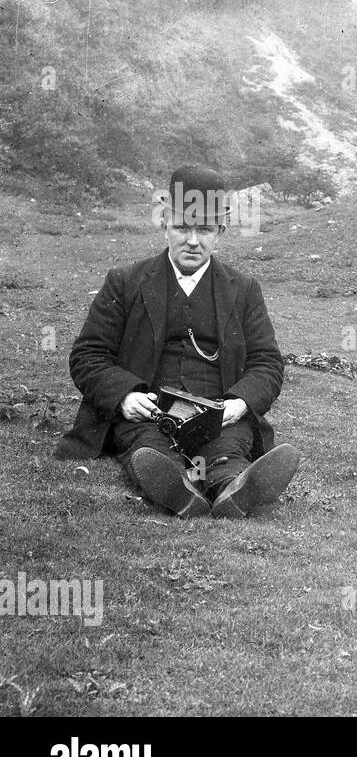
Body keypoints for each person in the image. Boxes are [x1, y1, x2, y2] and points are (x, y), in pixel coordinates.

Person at [55, 165, 299, 518]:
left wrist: (240, 404)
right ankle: (176, 485)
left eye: (204, 230)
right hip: (149, 413)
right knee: (149, 443)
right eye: (183, 228)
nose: (193, 241)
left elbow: (267, 363)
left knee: (227, 447)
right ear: (164, 224)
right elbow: (88, 355)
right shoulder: (125, 282)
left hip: (217, 415)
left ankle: (233, 486)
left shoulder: (244, 290)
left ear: (221, 231)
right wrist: (126, 396)